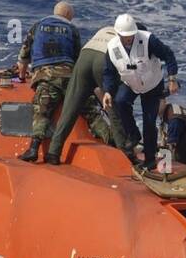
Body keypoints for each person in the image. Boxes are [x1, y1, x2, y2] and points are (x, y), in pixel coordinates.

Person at [15, 2, 121, 162]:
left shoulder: (38, 26)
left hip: (47, 77)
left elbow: (23, 57)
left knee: (42, 111)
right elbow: (80, 57)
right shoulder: (72, 30)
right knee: (91, 113)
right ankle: (113, 143)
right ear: (69, 16)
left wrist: (22, 77)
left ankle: (33, 149)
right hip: (72, 78)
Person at [100, 13, 180, 171]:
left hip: (152, 85)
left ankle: (150, 159)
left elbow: (169, 55)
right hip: (131, 83)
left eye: (131, 35)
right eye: (125, 36)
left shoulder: (149, 40)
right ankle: (134, 135)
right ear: (118, 34)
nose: (128, 38)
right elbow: (108, 72)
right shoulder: (112, 48)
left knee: (149, 121)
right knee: (120, 101)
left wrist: (172, 78)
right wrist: (108, 92)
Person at [43, 23, 130, 165]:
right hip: (105, 60)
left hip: (85, 57)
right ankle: (125, 153)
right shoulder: (129, 40)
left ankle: (53, 152)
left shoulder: (104, 29)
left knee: (69, 110)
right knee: (114, 109)